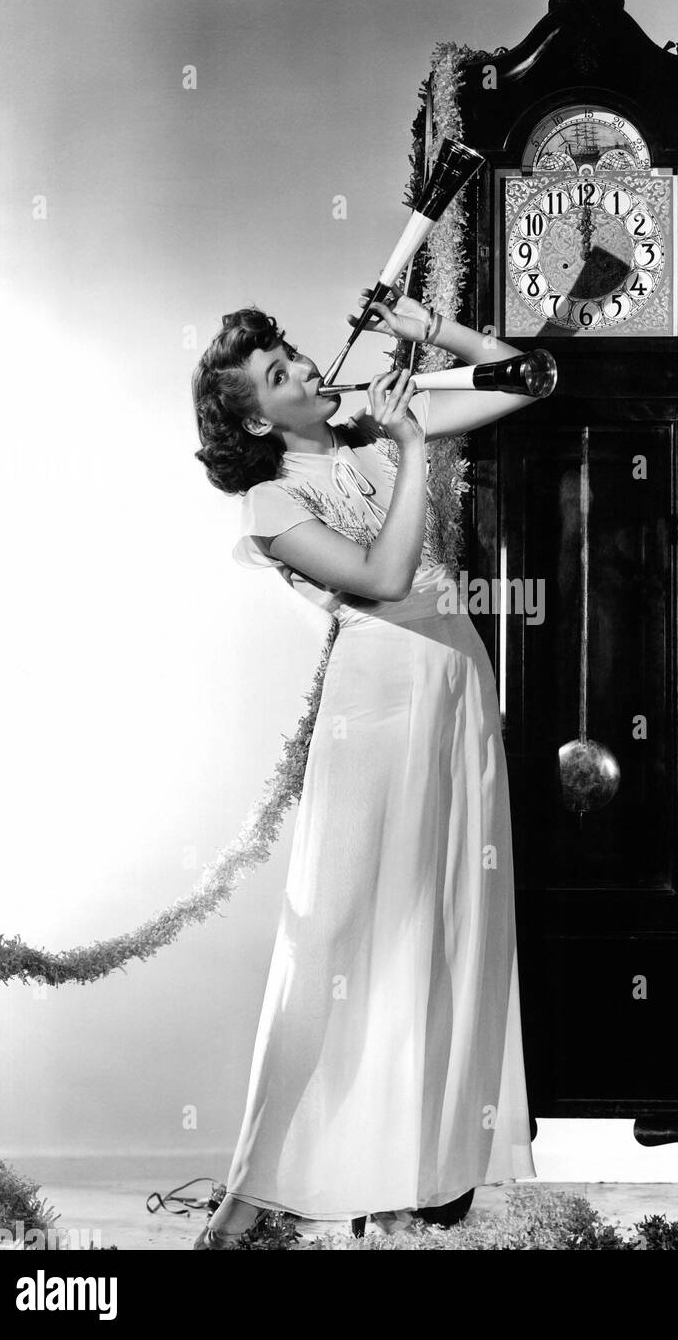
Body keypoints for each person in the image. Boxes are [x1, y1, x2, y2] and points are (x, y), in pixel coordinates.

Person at [190, 287, 538, 1246]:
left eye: (294, 352)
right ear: (260, 419)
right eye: (278, 373)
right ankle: (257, 1190)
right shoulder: (273, 500)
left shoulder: (378, 421)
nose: (304, 366)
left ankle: (416, 1173)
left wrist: (432, 337)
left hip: (456, 679)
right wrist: (414, 445)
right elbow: (384, 580)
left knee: (442, 920)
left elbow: (529, 380)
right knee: (340, 933)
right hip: (376, 700)